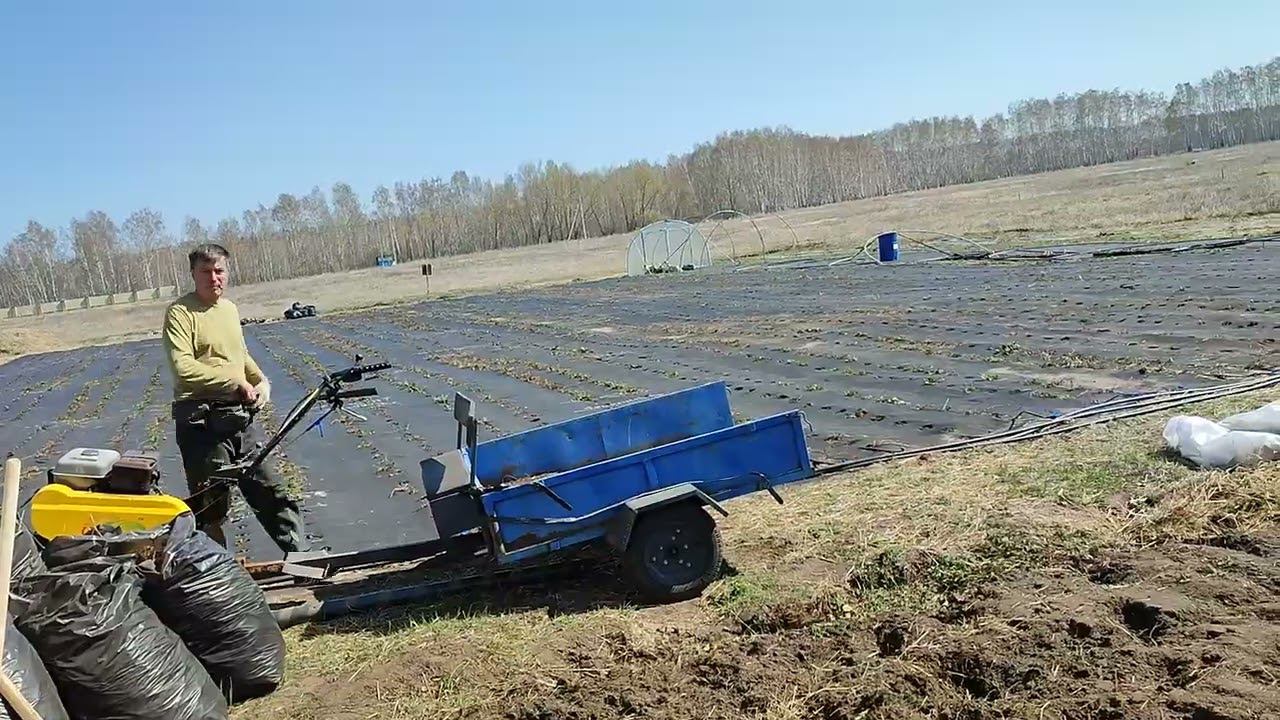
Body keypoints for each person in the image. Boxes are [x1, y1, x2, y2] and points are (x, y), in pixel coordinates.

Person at [162, 243, 308, 554]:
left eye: (219, 271)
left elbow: (238, 354)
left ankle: (302, 557)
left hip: (239, 417)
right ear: (193, 274)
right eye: (206, 271)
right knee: (209, 506)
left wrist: (260, 381)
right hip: (200, 421)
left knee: (271, 491)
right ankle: (215, 579)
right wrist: (234, 382)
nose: (213, 278)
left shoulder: (228, 310)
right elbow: (183, 367)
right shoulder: (181, 313)